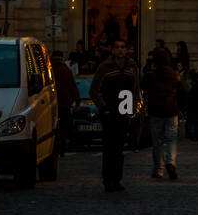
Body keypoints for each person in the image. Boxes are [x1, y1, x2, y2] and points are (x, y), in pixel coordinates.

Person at [90, 42, 140, 192]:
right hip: (109, 113)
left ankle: (117, 179)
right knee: (109, 147)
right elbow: (94, 90)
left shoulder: (132, 67)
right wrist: (103, 107)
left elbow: (135, 89)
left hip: (124, 112)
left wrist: (133, 109)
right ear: (112, 50)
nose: (120, 50)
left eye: (122, 47)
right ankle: (108, 180)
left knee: (119, 148)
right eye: (117, 47)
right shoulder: (104, 67)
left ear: (126, 50)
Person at [142, 48, 186, 181]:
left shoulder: (150, 76)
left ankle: (158, 169)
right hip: (171, 110)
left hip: (155, 111)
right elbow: (183, 92)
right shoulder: (174, 75)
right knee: (172, 138)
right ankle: (170, 162)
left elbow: (143, 88)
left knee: (157, 141)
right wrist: (181, 108)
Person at [51, 51, 81, 155]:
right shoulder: (66, 70)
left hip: (51, 104)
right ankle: (64, 142)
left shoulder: (49, 70)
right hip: (65, 103)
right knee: (65, 125)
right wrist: (77, 101)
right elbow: (73, 86)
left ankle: (55, 144)